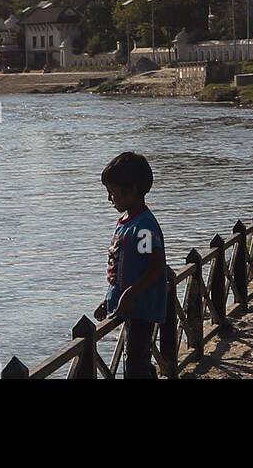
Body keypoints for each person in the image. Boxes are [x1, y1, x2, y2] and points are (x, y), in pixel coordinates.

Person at [94, 152, 168, 379]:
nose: (109, 199)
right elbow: (121, 269)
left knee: (136, 363)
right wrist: (109, 299)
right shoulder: (125, 224)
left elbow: (155, 268)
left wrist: (132, 293)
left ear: (132, 190)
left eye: (113, 192)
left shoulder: (144, 226)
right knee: (136, 360)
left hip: (140, 309)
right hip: (128, 307)